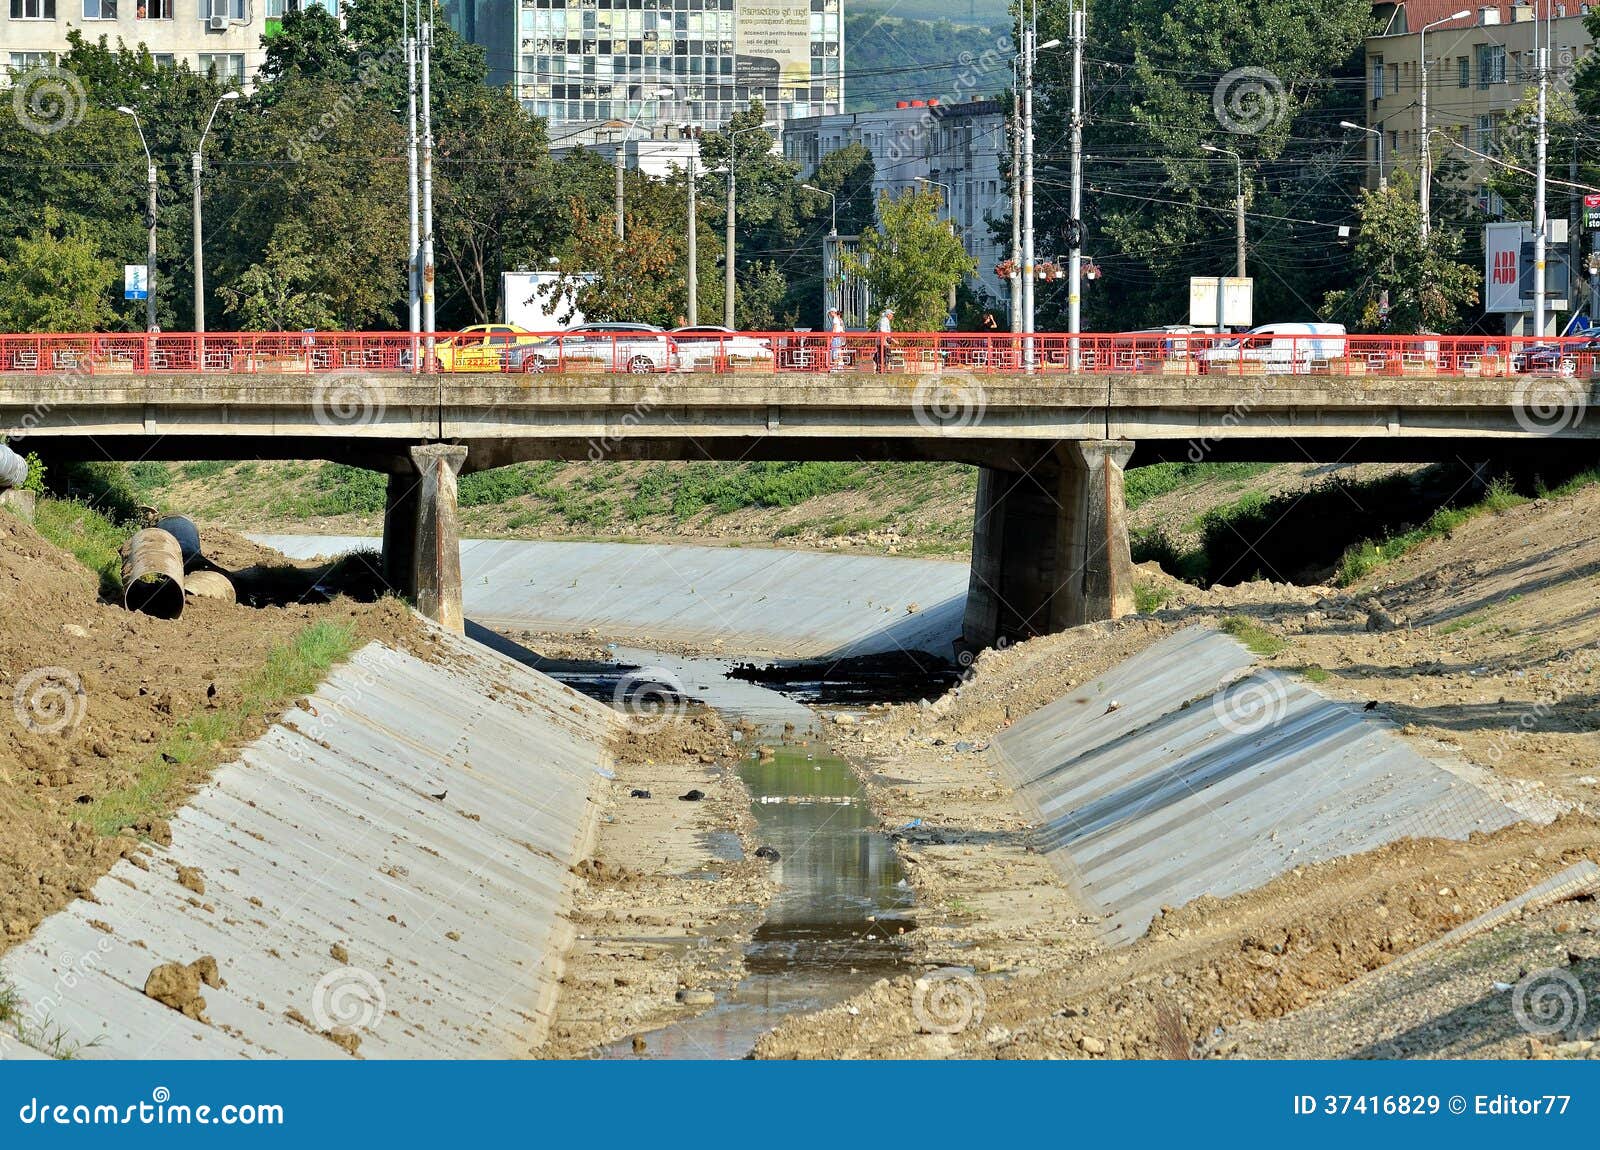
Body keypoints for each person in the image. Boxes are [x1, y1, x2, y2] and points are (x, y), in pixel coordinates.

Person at [875, 307, 894, 371]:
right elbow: (883, 331)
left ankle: (884, 368)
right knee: (885, 355)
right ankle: (883, 369)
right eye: (892, 314)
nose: (892, 315)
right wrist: (892, 339)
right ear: (888, 314)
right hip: (883, 341)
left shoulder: (885, 320)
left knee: (884, 355)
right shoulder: (884, 320)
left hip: (884, 341)